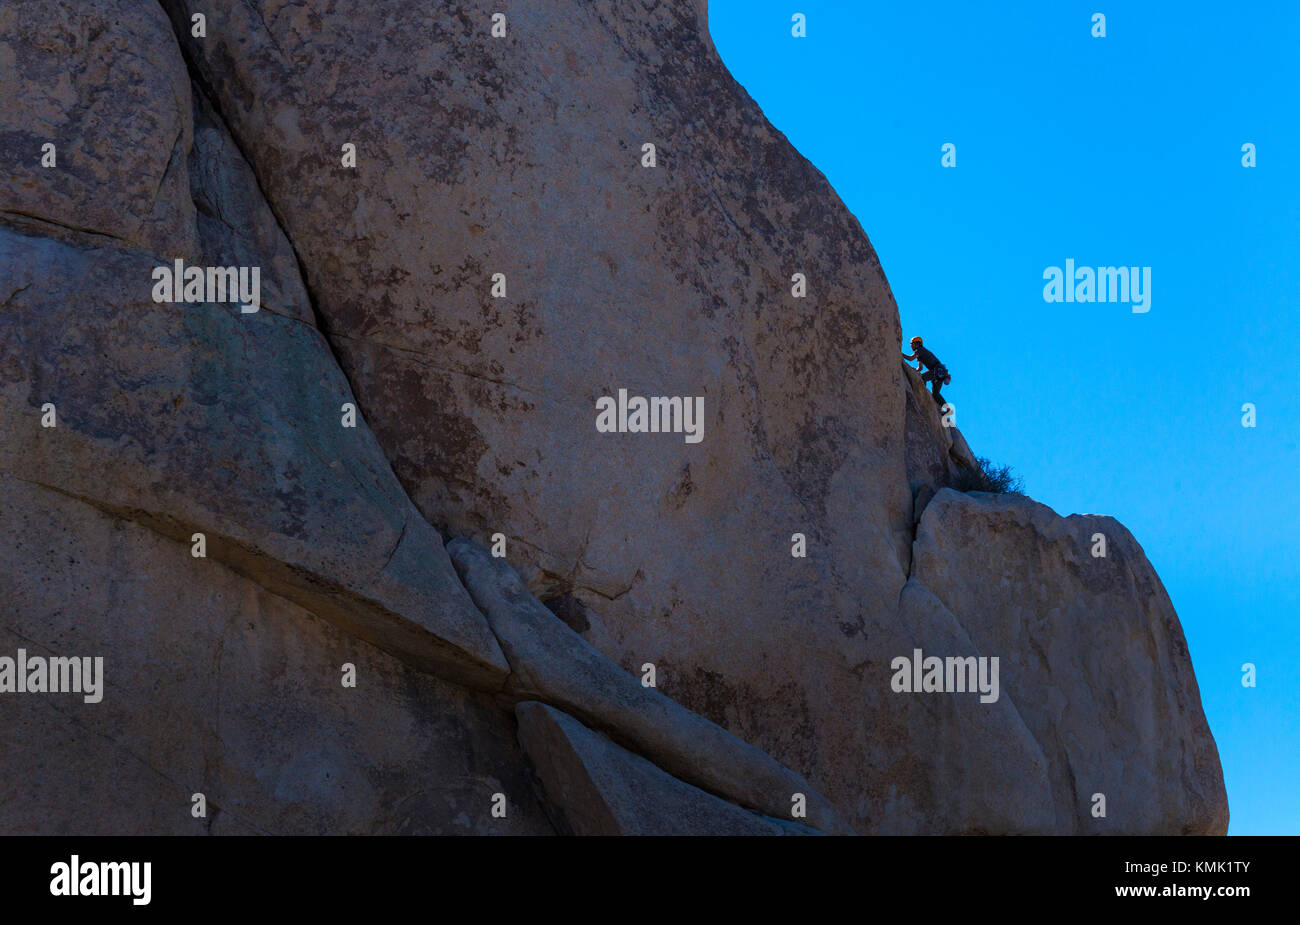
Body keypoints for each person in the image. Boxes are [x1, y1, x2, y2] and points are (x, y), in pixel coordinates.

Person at [903, 336, 949, 407]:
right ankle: (946, 409)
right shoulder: (921, 352)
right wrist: (914, 370)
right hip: (941, 372)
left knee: (922, 377)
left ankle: (922, 394)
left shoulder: (920, 350)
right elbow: (920, 368)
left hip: (936, 371)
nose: (911, 346)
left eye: (912, 344)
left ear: (917, 344)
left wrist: (899, 353)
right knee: (935, 394)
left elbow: (910, 358)